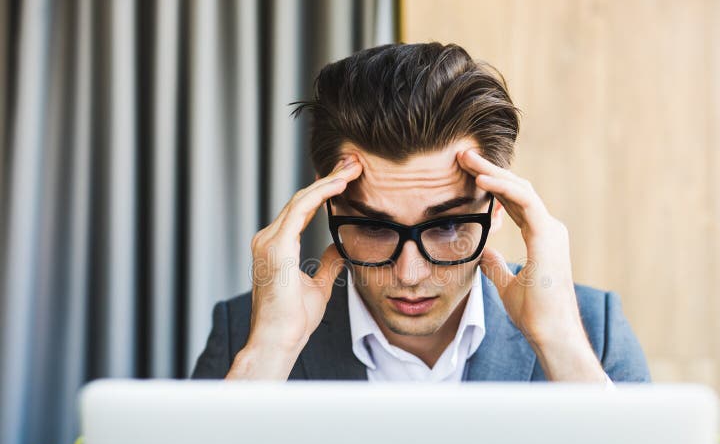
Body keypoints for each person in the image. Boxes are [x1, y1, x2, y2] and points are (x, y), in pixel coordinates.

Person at [191, 42, 650, 384]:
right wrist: (272, 349)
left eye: (448, 225)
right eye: (372, 225)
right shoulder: (247, 333)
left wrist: (561, 344)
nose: (410, 273)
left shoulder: (592, 327)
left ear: (497, 207)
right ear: (326, 204)